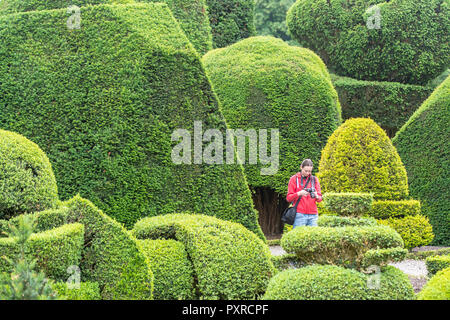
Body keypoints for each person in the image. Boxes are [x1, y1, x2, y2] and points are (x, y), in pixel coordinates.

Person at [286, 159, 322, 228]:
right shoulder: (294, 179)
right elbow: (288, 198)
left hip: (313, 215)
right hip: (299, 214)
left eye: (310, 171)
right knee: (298, 237)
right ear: (301, 167)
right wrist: (299, 193)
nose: (308, 173)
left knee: (314, 237)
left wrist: (316, 196)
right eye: (306, 171)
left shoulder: (314, 180)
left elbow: (320, 199)